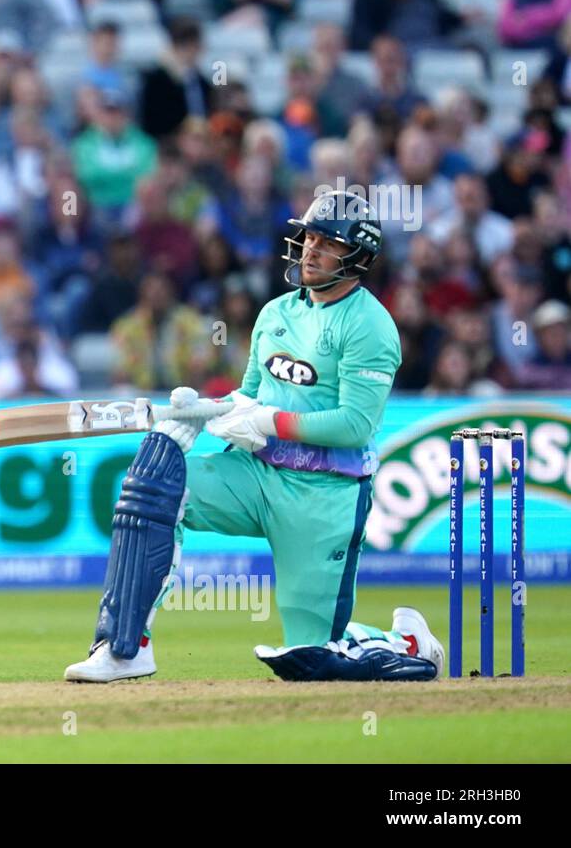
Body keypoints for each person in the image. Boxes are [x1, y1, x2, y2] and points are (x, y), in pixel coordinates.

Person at [65, 189, 444, 683]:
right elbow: (248, 395)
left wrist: (268, 422)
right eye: (308, 236)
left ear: (358, 256)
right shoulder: (276, 314)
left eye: (326, 243)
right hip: (257, 475)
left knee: (313, 657)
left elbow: (355, 425)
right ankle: (123, 648)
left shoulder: (370, 326)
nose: (310, 250)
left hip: (325, 493)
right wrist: (206, 411)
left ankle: (405, 644)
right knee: (155, 476)